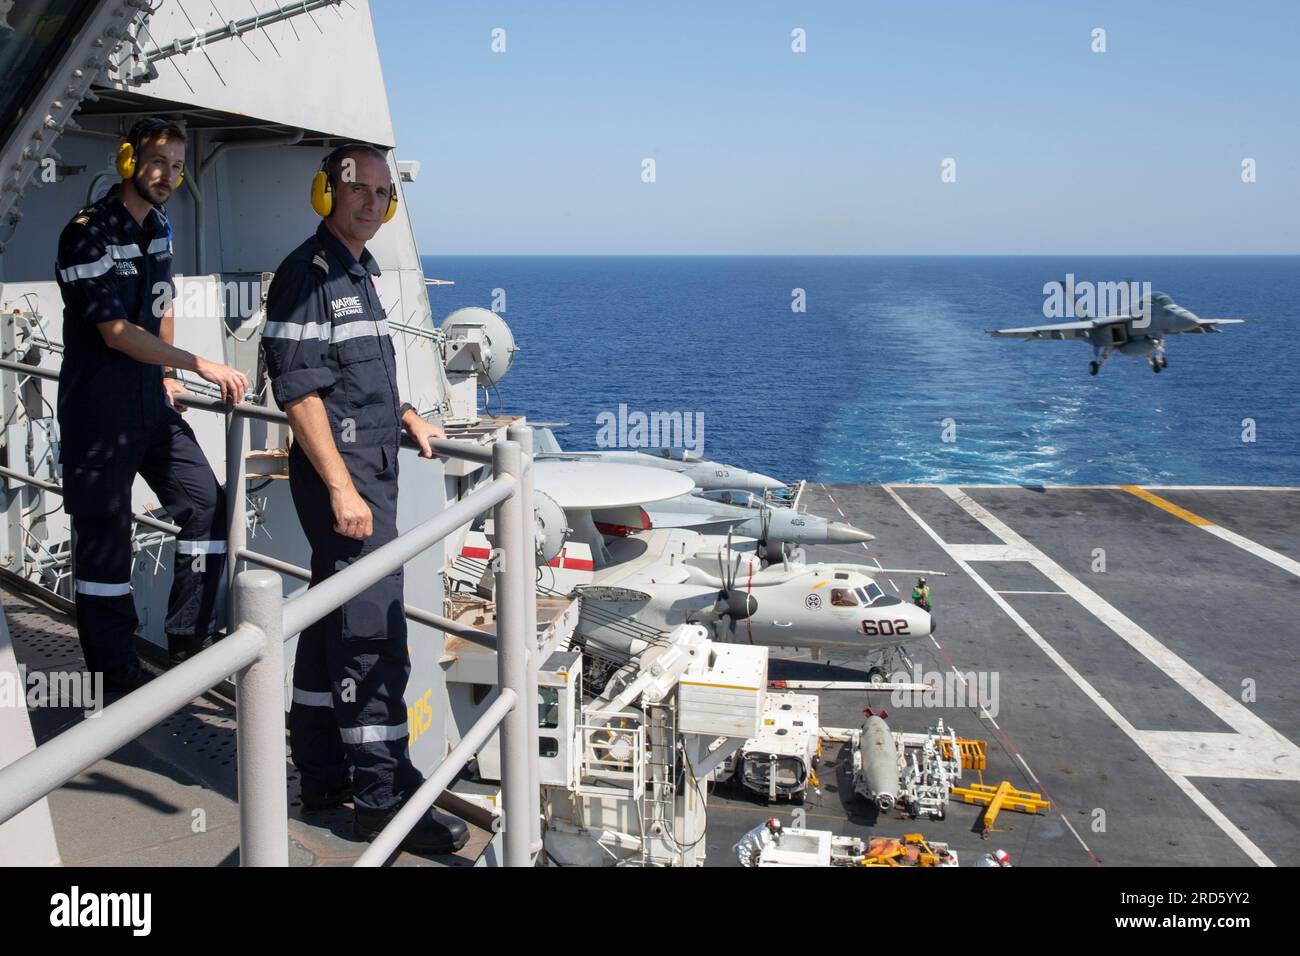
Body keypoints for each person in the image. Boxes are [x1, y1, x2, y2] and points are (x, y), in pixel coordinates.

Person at [262, 143, 466, 855]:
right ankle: (382, 798)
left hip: (367, 474)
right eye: (359, 190)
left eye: (384, 194)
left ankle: (321, 777)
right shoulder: (307, 275)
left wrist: (406, 413)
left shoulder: (359, 272)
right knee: (373, 635)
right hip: (347, 488)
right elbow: (300, 391)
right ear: (328, 192)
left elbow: (359, 376)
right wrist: (343, 487)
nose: (372, 204)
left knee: (328, 624)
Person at [54, 117, 249, 692]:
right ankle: (113, 678)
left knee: (204, 503)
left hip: (148, 399)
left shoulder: (160, 227)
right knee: (105, 538)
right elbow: (115, 332)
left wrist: (165, 370)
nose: (168, 175)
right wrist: (199, 363)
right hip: (98, 410)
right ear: (128, 160)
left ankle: (188, 638)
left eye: (178, 165)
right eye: (158, 161)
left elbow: (161, 302)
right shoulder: (85, 234)